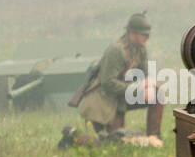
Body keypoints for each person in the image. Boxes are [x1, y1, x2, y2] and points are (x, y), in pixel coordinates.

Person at [69, 12, 163, 147]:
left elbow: (146, 75)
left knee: (157, 93)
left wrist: (148, 87)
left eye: (148, 34)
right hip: (103, 101)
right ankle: (73, 135)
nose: (147, 37)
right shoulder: (116, 51)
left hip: (119, 98)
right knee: (112, 143)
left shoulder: (140, 49)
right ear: (132, 33)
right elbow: (107, 83)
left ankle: (154, 138)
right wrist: (136, 90)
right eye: (144, 34)